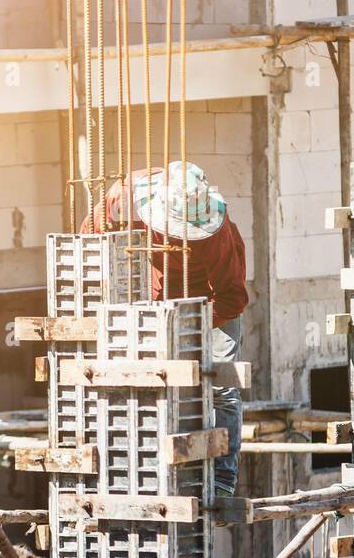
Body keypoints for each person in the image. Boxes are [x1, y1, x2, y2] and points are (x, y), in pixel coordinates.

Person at [81, 161, 248, 495]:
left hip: (213, 303)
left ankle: (223, 477)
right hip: (159, 298)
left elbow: (233, 298)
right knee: (147, 382)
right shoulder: (130, 195)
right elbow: (89, 234)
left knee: (222, 390)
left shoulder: (219, 234)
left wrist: (187, 325)